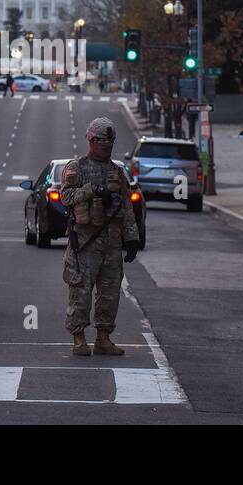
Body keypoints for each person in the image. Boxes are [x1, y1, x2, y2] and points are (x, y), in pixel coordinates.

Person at [60, 117, 141, 356]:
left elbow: (125, 206)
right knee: (81, 293)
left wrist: (132, 238)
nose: (108, 145)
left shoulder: (117, 171)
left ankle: (103, 338)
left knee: (110, 293)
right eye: (103, 141)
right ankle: (79, 338)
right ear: (92, 140)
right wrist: (91, 191)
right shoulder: (78, 167)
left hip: (112, 244)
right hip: (85, 243)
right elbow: (65, 197)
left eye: (111, 141)